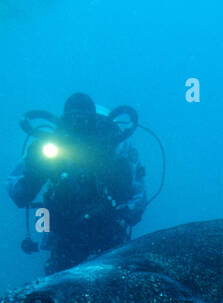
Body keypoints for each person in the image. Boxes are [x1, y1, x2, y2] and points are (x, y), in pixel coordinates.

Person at [8, 93, 146, 273]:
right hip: (65, 234)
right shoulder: (49, 147)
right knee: (63, 288)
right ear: (65, 120)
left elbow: (138, 191)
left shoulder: (114, 146)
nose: (78, 124)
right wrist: (33, 172)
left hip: (109, 232)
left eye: (83, 119)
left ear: (94, 119)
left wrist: (127, 210)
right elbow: (18, 191)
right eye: (72, 119)